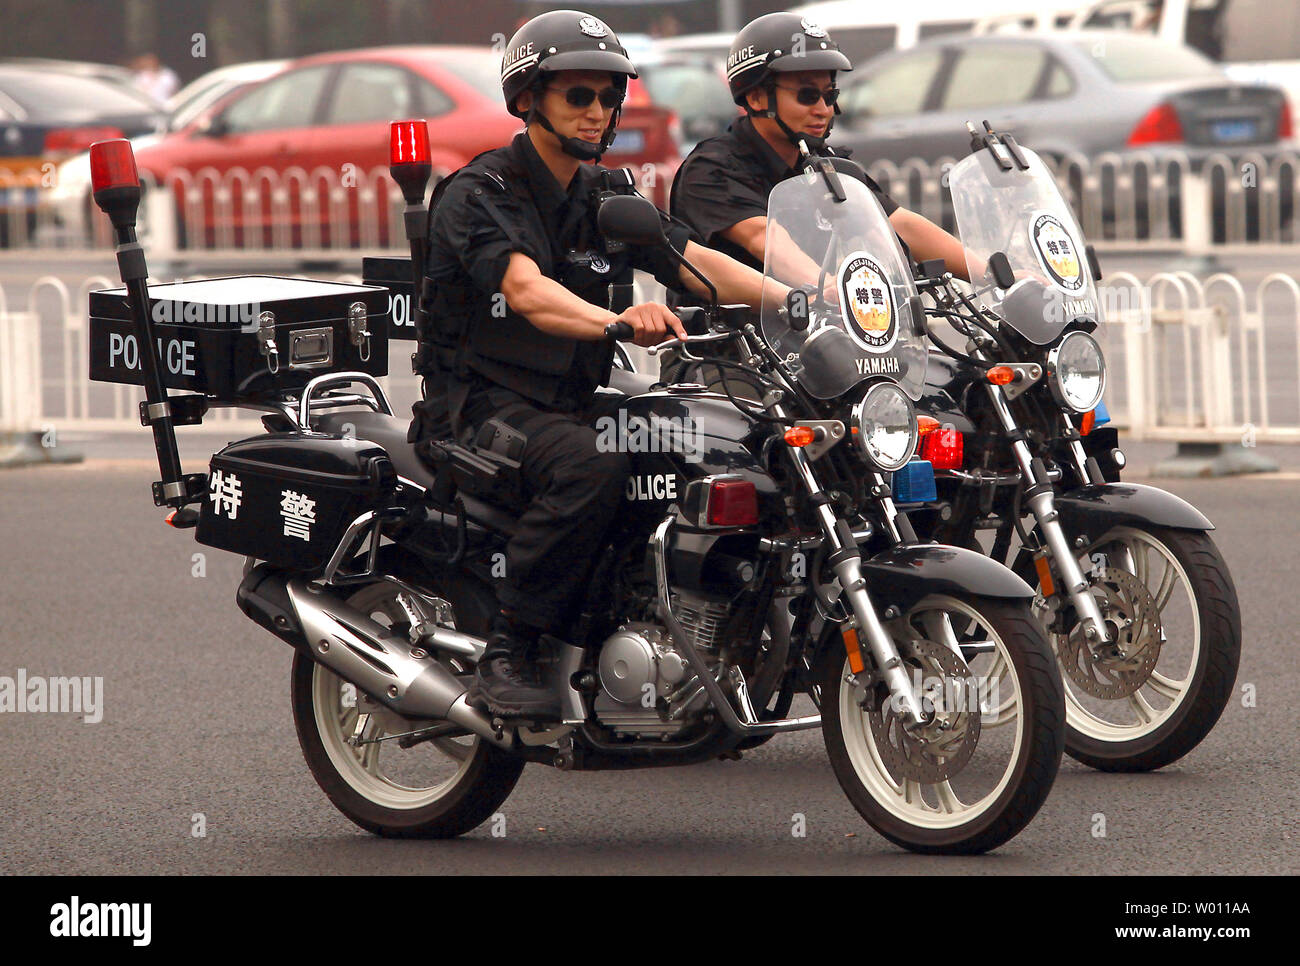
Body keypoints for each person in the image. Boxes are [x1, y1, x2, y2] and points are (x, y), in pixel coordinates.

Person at [410, 9, 783, 719]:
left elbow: (692, 260)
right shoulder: (479, 192)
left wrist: (800, 300)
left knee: (699, 438)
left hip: (572, 400)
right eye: (578, 95)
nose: (598, 111)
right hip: (478, 408)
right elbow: (526, 290)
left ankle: (648, 619)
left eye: (609, 97)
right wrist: (615, 321)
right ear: (527, 100)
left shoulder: (606, 195)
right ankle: (510, 648)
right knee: (590, 464)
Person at [671, 12, 970, 282]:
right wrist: (828, 289)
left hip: (822, 333)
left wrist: (997, 276)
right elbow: (764, 237)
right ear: (757, 98)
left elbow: (900, 223)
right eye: (807, 95)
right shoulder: (712, 168)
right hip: (732, 337)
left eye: (829, 95)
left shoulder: (827, 163)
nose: (823, 109)